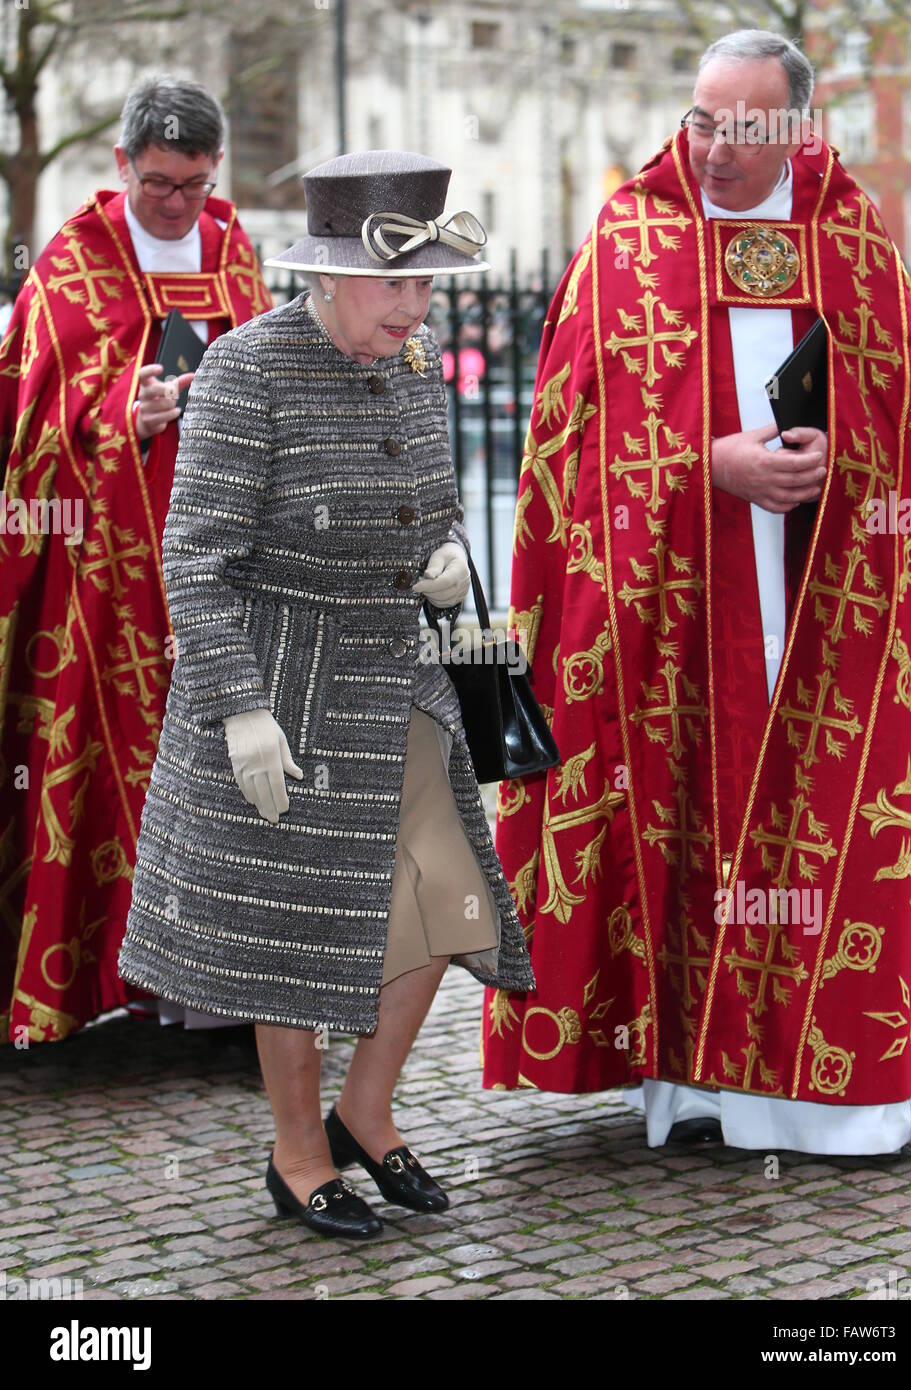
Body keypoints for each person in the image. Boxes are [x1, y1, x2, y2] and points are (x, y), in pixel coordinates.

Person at [482, 30, 911, 1152]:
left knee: (838, 814)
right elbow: (562, 444)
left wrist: (843, 468)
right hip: (673, 606)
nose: (718, 149)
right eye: (703, 121)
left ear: (798, 125)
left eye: (747, 128)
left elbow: (908, 422)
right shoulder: (629, 237)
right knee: (688, 806)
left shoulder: (850, 237)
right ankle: (688, 1083)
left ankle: (868, 1084)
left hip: (832, 596)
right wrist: (708, 467)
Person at [117, 150, 536, 1238]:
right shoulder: (247, 369)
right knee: (291, 929)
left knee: (450, 901)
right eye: (396, 283)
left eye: (428, 282)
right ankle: (297, 1153)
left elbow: (432, 505)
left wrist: (442, 557)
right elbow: (196, 557)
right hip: (280, 678)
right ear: (330, 277)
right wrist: (241, 710)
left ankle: (366, 1110)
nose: (415, 304)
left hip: (395, 671)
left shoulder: (414, 360)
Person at [0, 74, 272, 1044]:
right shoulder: (71, 263)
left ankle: (220, 995)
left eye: (196, 183)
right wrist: (123, 414)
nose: (179, 204)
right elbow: (26, 422)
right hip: (104, 576)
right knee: (106, 769)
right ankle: (103, 981)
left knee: (225, 762)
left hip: (224, 560)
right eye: (161, 182)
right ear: (122, 164)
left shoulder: (234, 248)